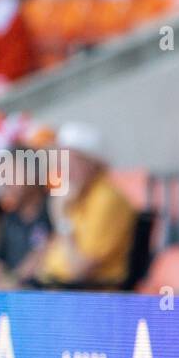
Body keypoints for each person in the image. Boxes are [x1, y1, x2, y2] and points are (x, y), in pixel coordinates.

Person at [33, 122, 136, 289]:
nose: (60, 167)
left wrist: (61, 219)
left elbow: (78, 271)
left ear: (90, 162)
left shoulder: (106, 199)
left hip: (84, 295)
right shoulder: (77, 194)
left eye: (68, 160)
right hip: (55, 288)